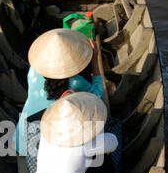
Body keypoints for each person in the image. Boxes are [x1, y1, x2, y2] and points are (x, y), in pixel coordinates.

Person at [16, 28, 104, 157]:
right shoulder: (75, 82)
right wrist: (95, 59)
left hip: (22, 140)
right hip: (49, 148)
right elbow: (97, 95)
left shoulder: (33, 71)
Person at [28, 92, 118, 173]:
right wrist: (94, 134)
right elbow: (113, 142)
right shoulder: (85, 145)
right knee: (104, 159)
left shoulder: (46, 134)